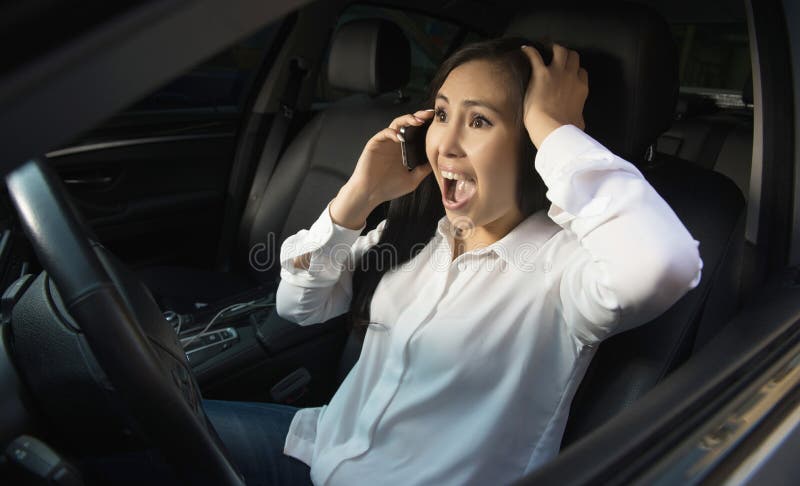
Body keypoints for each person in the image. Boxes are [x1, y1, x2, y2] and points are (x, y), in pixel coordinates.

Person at [205, 36, 704, 485]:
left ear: (533, 142)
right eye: (442, 115)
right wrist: (359, 195)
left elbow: (664, 265)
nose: (446, 144)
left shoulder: (565, 267)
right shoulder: (416, 231)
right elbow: (298, 305)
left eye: (480, 121)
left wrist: (556, 130)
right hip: (321, 449)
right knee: (142, 420)